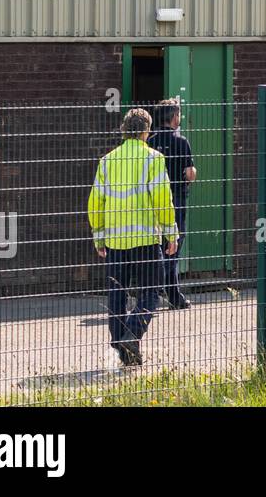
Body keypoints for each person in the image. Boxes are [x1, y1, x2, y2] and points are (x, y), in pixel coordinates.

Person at [89, 107, 178, 367]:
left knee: (117, 294)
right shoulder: (154, 159)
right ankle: (132, 333)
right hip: (146, 241)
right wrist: (171, 233)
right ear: (145, 131)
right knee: (151, 292)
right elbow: (163, 199)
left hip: (116, 241)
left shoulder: (107, 160)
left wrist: (99, 236)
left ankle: (122, 345)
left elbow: (95, 202)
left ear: (124, 130)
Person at [148, 98, 196, 310]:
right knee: (174, 246)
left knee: (158, 245)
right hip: (175, 197)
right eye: (179, 114)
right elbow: (189, 173)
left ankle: (169, 293)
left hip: (152, 200)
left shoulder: (149, 140)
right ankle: (162, 290)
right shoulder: (181, 142)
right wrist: (192, 173)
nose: (180, 118)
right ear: (174, 117)